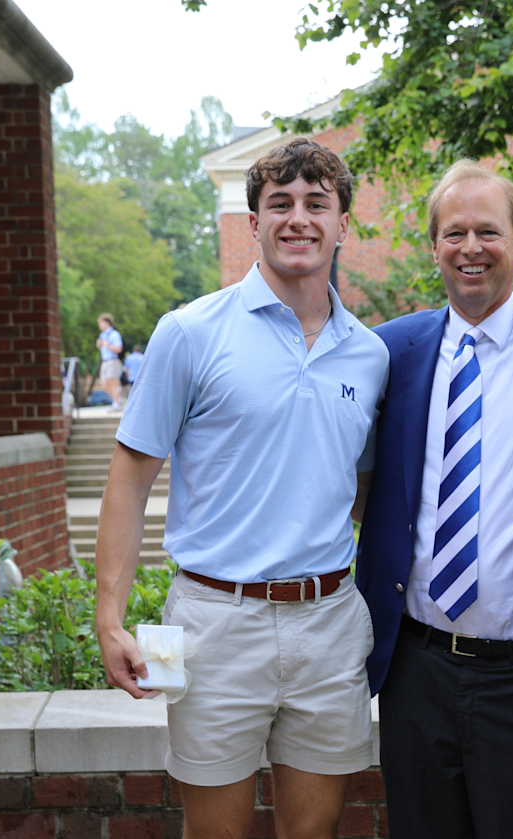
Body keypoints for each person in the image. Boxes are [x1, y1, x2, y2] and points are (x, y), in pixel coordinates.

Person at [95, 138, 388, 839]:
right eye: (278, 203)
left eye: (318, 203)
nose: (298, 218)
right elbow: (130, 479)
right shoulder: (190, 333)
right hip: (214, 620)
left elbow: (366, 495)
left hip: (328, 620)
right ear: (253, 221)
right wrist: (110, 618)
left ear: (344, 223)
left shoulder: (370, 355)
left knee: (312, 832)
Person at [356, 161, 513, 839]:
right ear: (433, 246)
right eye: (454, 232)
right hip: (416, 670)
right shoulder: (390, 350)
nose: (470, 247)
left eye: (488, 231)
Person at [95, 314, 124, 409]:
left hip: (113, 361)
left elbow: (118, 349)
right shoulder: (102, 335)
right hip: (105, 361)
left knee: (113, 383)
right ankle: (118, 398)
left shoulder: (114, 334)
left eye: (101, 323)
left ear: (107, 323)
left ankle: (116, 404)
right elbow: (102, 350)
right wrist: (99, 345)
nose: (100, 326)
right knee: (104, 384)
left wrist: (107, 345)